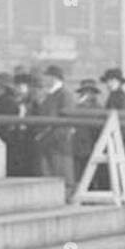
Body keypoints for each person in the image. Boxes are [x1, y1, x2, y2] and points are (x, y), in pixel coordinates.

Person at [34, 65, 75, 193]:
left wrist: (52, 137)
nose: (45, 80)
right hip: (47, 142)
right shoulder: (50, 95)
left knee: (62, 175)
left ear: (54, 78)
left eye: (47, 77)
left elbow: (66, 121)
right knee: (49, 175)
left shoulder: (64, 95)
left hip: (59, 145)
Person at [72, 78, 104, 188]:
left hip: (91, 142)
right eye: (84, 92)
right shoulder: (77, 106)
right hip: (78, 143)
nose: (86, 94)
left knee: (91, 169)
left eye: (89, 92)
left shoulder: (98, 107)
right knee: (79, 169)